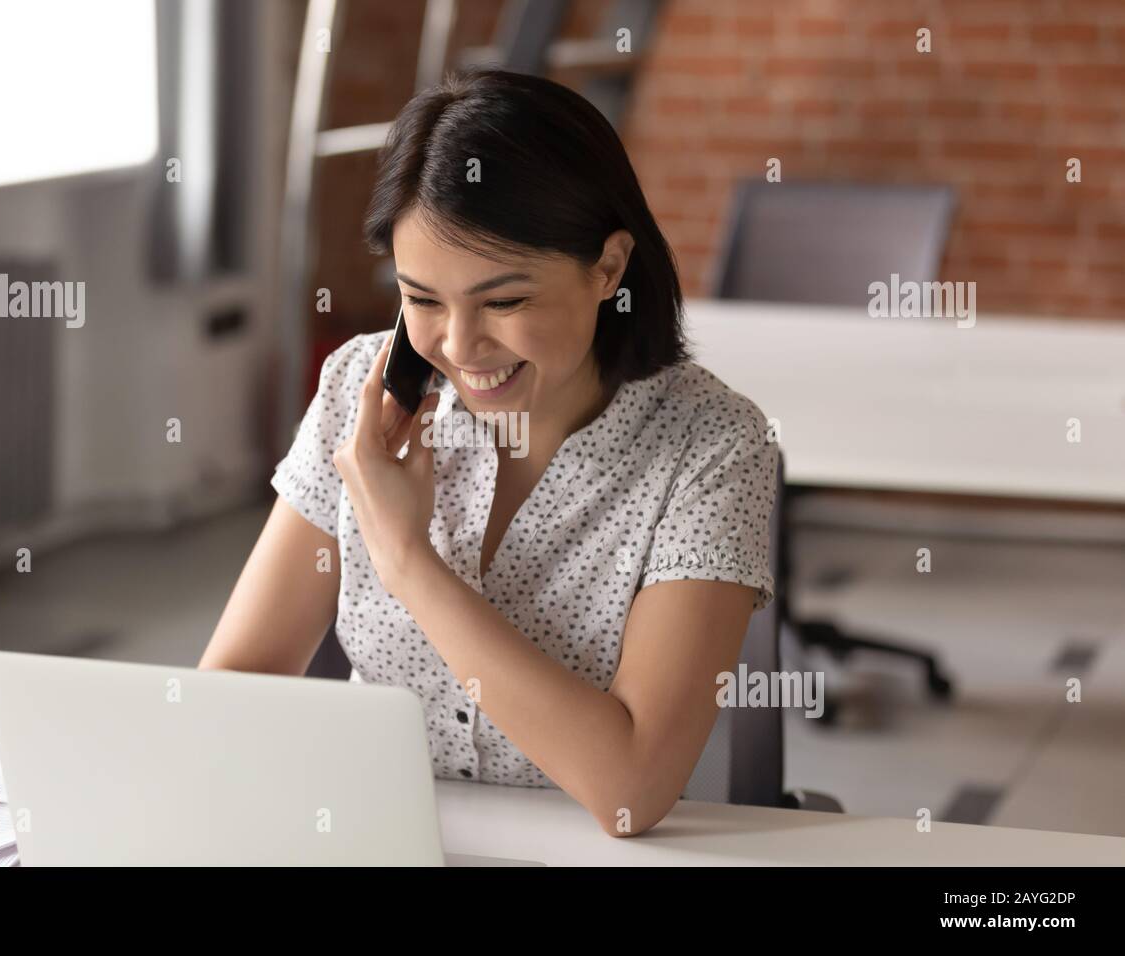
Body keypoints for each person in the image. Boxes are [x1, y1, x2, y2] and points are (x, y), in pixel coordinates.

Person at [200, 67, 778, 837]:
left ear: (608, 268)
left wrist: (410, 561)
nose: (461, 347)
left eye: (504, 302)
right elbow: (230, 694)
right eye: (422, 300)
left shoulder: (712, 446)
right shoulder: (356, 392)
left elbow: (631, 788)